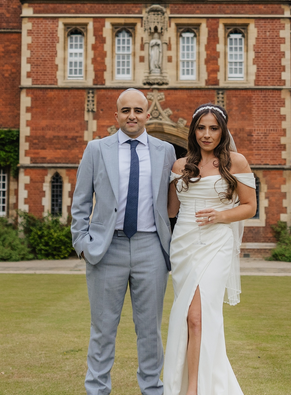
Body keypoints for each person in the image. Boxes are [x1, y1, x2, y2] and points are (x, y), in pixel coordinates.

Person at [71, 88, 177, 395]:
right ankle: (97, 390)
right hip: (107, 249)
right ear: (116, 115)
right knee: (103, 329)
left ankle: (151, 388)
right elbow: (80, 201)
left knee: (149, 330)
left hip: (150, 248)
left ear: (148, 114)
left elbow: (172, 203)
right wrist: (82, 243)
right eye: (126, 110)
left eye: (138, 110)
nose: (132, 116)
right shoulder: (96, 149)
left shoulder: (165, 151)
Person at [163, 104, 257, 395]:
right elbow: (169, 211)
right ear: (193, 130)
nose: (207, 134)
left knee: (198, 316)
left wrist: (220, 215)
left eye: (213, 128)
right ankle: (190, 384)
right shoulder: (180, 166)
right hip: (184, 244)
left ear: (223, 131)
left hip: (217, 242)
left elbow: (250, 207)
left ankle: (193, 389)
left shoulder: (237, 162)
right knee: (186, 316)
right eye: (201, 128)